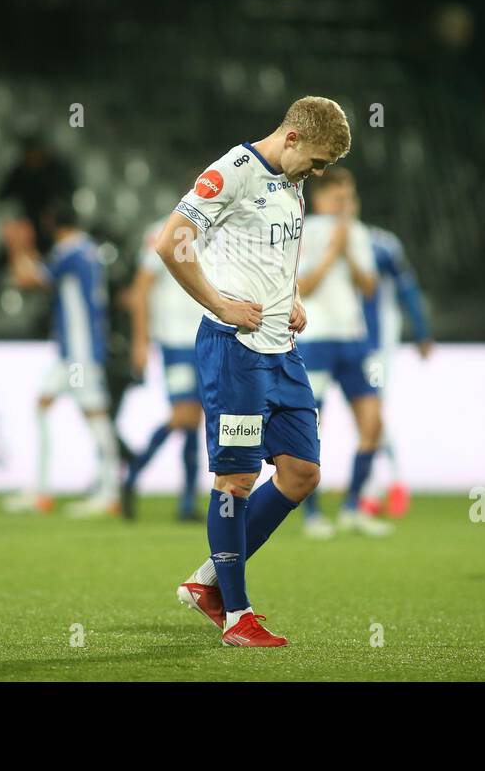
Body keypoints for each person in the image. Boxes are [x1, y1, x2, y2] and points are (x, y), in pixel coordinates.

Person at [158, 95, 350, 648]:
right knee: (235, 481)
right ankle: (237, 615)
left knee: (301, 473)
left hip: (281, 350)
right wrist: (220, 305)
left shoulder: (293, 184)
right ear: (291, 137)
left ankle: (209, 582)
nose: (317, 174)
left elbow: (277, 251)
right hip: (233, 350)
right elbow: (169, 242)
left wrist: (288, 297)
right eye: (314, 161)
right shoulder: (232, 172)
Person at [2, 201, 123, 518]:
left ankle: (110, 492)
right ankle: (41, 492)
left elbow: (26, 280)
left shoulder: (68, 251)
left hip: (80, 353)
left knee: (95, 416)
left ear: (53, 226)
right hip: (73, 352)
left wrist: (18, 246)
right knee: (43, 405)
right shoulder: (86, 250)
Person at [294, 168, 391, 538]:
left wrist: (348, 248)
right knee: (311, 427)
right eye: (337, 197)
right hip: (315, 339)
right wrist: (332, 251)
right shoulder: (305, 230)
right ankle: (312, 514)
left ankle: (352, 508)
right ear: (319, 199)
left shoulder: (360, 233)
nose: (344, 203)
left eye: (348, 197)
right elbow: (302, 286)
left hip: (354, 339)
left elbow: (369, 287)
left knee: (373, 423)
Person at [122, 202, 209, 521]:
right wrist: (141, 341)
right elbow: (140, 290)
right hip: (175, 341)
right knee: (182, 416)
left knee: (195, 420)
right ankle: (132, 472)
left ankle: (186, 501)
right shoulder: (164, 230)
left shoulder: (220, 231)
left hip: (208, 339)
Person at [357, 220, 432, 518]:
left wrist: (422, 331)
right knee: (365, 413)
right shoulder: (320, 235)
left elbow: (406, 288)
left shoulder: (382, 244)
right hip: (344, 341)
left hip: (377, 346)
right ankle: (377, 485)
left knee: (371, 409)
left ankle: (389, 483)